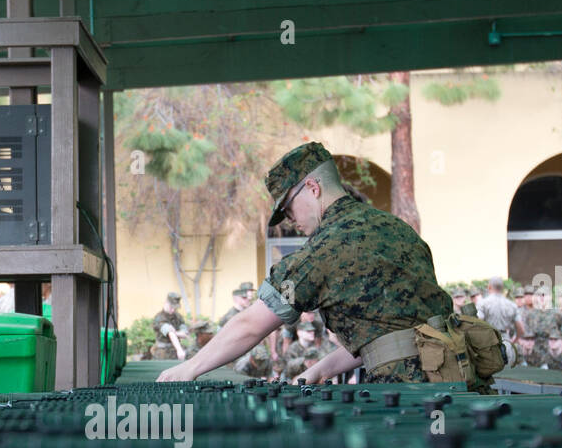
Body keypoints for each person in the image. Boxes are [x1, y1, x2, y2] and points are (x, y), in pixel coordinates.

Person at [157, 141, 452, 385]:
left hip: (407, 394)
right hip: (453, 381)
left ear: (313, 187)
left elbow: (252, 324)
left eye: (287, 207)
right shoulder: (398, 230)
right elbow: (390, 337)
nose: (290, 220)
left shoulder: (324, 249)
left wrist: (190, 368)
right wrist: (320, 370)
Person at [151, 291, 191, 361]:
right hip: (162, 352)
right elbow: (170, 333)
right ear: (166, 303)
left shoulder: (178, 316)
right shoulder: (159, 317)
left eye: (175, 308)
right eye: (171, 307)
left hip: (175, 351)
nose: (173, 310)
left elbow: (185, 333)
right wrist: (179, 350)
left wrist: (175, 333)